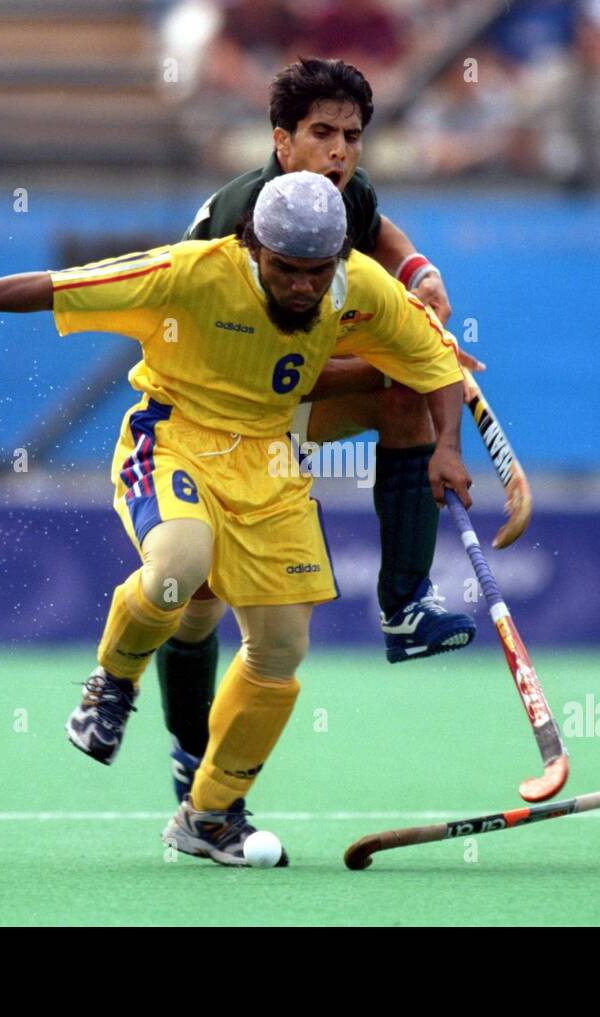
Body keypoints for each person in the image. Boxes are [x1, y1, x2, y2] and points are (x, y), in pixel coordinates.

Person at [0, 172, 470, 866]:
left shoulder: (358, 286)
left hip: (269, 460)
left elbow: (433, 359)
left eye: (316, 273)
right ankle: (111, 683)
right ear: (251, 246)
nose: (303, 287)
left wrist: (444, 446)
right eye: (286, 270)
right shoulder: (188, 274)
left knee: (281, 650)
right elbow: (61, 285)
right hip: (174, 437)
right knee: (179, 566)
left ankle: (209, 815)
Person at [162, 57, 482, 803]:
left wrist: (418, 274)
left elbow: (378, 223)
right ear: (283, 141)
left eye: (352, 136)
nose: (340, 151)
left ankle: (405, 607)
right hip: (209, 412)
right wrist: (397, 355)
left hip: (277, 406)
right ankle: (189, 752)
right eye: (321, 134)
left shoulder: (342, 195)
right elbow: (274, 371)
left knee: (406, 395)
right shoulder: (254, 222)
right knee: (196, 598)